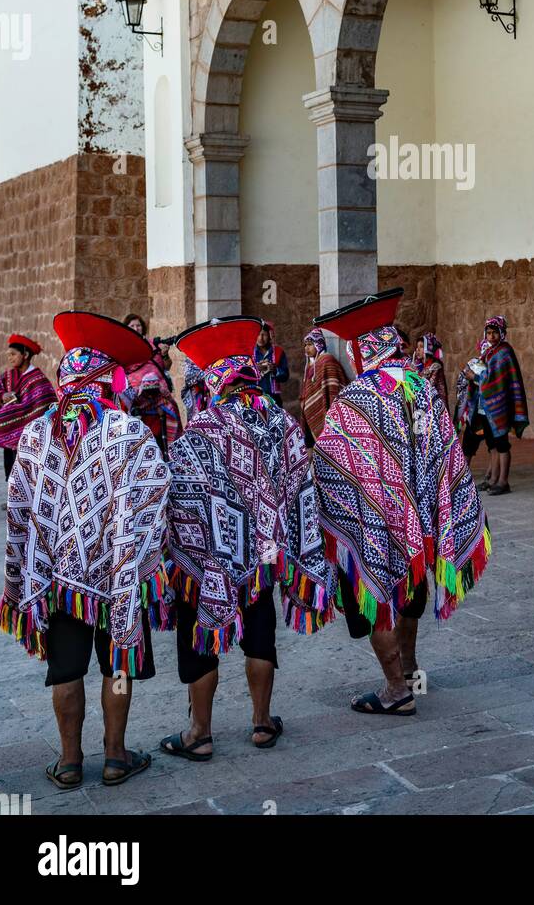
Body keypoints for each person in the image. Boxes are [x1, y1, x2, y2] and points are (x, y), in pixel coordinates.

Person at [0, 312, 170, 790]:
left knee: (65, 667)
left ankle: (71, 762)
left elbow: (18, 508)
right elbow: (156, 495)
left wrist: (28, 564)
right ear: (104, 380)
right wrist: (131, 552)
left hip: (57, 580)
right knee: (117, 663)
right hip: (115, 577)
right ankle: (116, 756)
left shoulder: (34, 436)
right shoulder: (129, 433)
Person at [160, 316, 334, 762]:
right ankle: (261, 723)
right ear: (250, 371)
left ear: (213, 381)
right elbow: (301, 489)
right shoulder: (284, 425)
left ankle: (199, 733)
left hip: (208, 562)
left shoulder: (197, 432)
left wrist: (195, 552)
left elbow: (178, 501)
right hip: (262, 556)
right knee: (260, 632)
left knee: (201, 637)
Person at [312, 289, 490, 716]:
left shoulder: (355, 401)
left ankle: (396, 690)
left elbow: (332, 462)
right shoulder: (423, 389)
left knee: (377, 597)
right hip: (421, 523)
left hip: (375, 526)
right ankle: (409, 670)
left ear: (362, 350)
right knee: (412, 590)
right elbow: (445, 453)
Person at [457, 315, 528, 495]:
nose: (491, 336)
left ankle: (503, 481)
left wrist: (476, 377)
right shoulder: (488, 352)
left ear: (502, 333)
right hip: (485, 408)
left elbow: (496, 380)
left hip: (499, 407)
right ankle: (492, 479)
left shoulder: (504, 352)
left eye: (495, 332)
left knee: (502, 444)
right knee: (493, 445)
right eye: (488, 333)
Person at [0, 334, 56, 482]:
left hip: (28, 435)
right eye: (8, 355)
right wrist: (2, 395)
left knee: (27, 470)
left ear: (25, 354)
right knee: (10, 466)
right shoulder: (8, 376)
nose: (10, 358)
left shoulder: (38, 379)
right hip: (10, 432)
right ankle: (12, 498)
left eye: (13, 354)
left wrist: (8, 415)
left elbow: (39, 407)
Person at [299, 327, 347, 448]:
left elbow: (333, 388)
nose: (306, 348)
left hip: (325, 410)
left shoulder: (327, 360)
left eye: (310, 344)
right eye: (305, 345)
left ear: (318, 344)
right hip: (312, 411)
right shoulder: (310, 365)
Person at [128, 367, 182, 457]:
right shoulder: (139, 400)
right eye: (148, 390)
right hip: (146, 431)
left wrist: (164, 412)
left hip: (161, 431)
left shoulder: (163, 398)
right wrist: (138, 414)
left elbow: (173, 413)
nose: (150, 394)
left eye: (153, 390)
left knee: (161, 449)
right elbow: (134, 411)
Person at [254, 321, 290, 404]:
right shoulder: (249, 352)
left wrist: (275, 370)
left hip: (273, 398)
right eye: (258, 334)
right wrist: (255, 368)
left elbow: (285, 376)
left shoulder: (278, 352)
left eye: (264, 335)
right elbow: (242, 373)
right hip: (254, 397)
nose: (260, 338)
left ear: (270, 336)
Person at [413, 332, 448, 409]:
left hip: (436, 404)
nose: (417, 349)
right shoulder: (417, 365)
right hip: (424, 402)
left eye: (421, 346)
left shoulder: (436, 365)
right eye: (417, 347)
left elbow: (428, 385)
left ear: (427, 349)